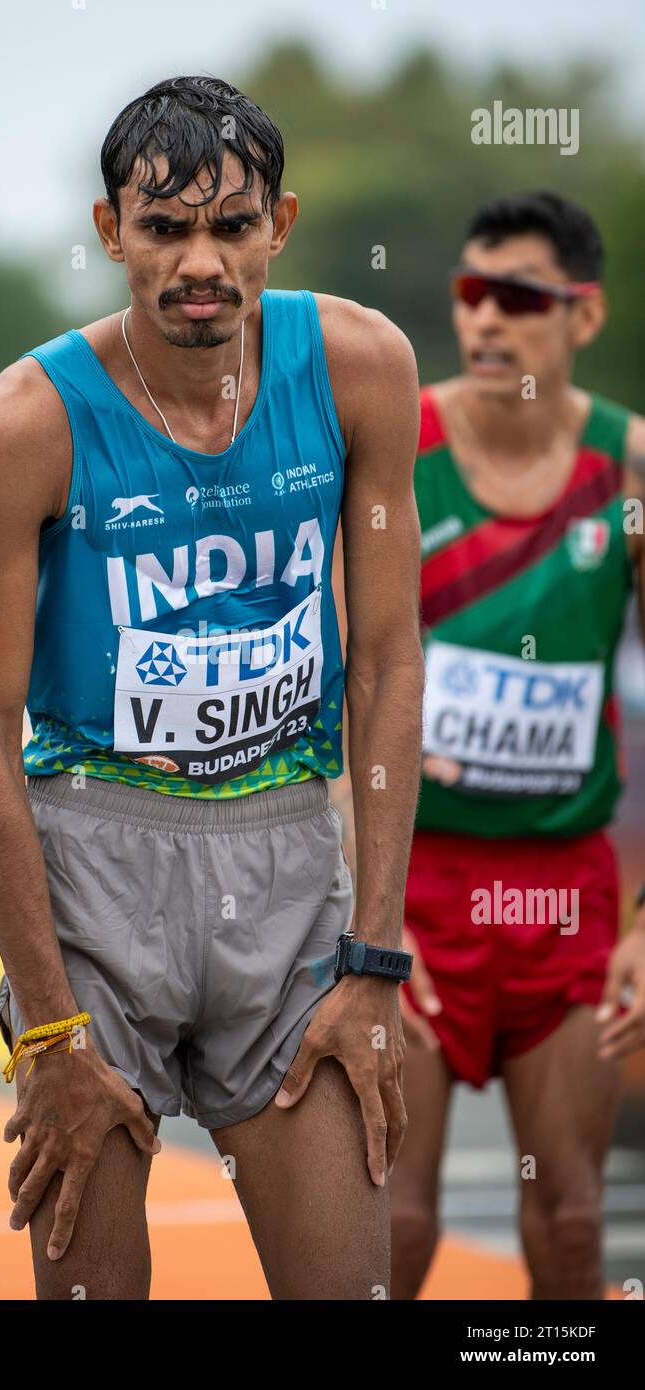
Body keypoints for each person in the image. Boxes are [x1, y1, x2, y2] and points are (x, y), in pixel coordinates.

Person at [0, 74, 423, 1300]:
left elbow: (382, 662)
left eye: (230, 225)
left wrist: (372, 957)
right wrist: (49, 1030)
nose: (198, 260)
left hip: (286, 866)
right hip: (94, 887)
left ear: (281, 224)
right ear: (111, 231)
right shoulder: (21, 425)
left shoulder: (360, 367)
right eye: (163, 229)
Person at [388, 191, 645, 1300]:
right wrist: (361, 904)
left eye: (518, 298)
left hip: (565, 898)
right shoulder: (395, 451)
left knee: (572, 1221)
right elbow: (334, 687)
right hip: (414, 892)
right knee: (389, 1231)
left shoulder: (628, 470)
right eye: (467, 293)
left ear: (580, 317)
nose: (485, 321)